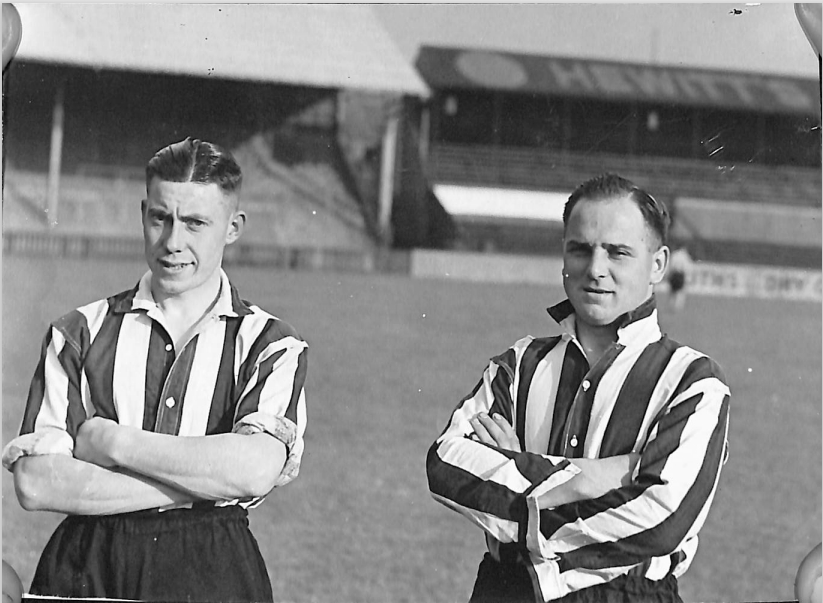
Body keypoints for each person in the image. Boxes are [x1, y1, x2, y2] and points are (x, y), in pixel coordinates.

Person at [2, 138, 308, 602]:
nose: (172, 242)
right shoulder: (78, 332)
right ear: (143, 212)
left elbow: (254, 469)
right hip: (89, 565)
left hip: (214, 568)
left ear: (233, 227)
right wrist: (203, 486)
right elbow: (36, 482)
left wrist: (113, 441)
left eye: (195, 223)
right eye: (160, 218)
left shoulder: (269, 344)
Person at [427, 173, 730, 603]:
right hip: (506, 589)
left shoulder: (693, 382)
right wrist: (595, 477)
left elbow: (663, 517)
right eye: (580, 249)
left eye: (618, 252)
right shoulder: (519, 364)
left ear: (658, 264)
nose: (596, 269)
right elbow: (445, 464)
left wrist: (524, 474)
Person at [667, 245, 693, 312]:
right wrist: (688, 278)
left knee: (672, 292)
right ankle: (677, 307)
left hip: (674, 274)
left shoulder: (674, 254)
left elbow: (670, 265)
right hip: (680, 275)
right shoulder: (685, 256)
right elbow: (687, 268)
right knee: (680, 292)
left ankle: (671, 305)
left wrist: (669, 275)